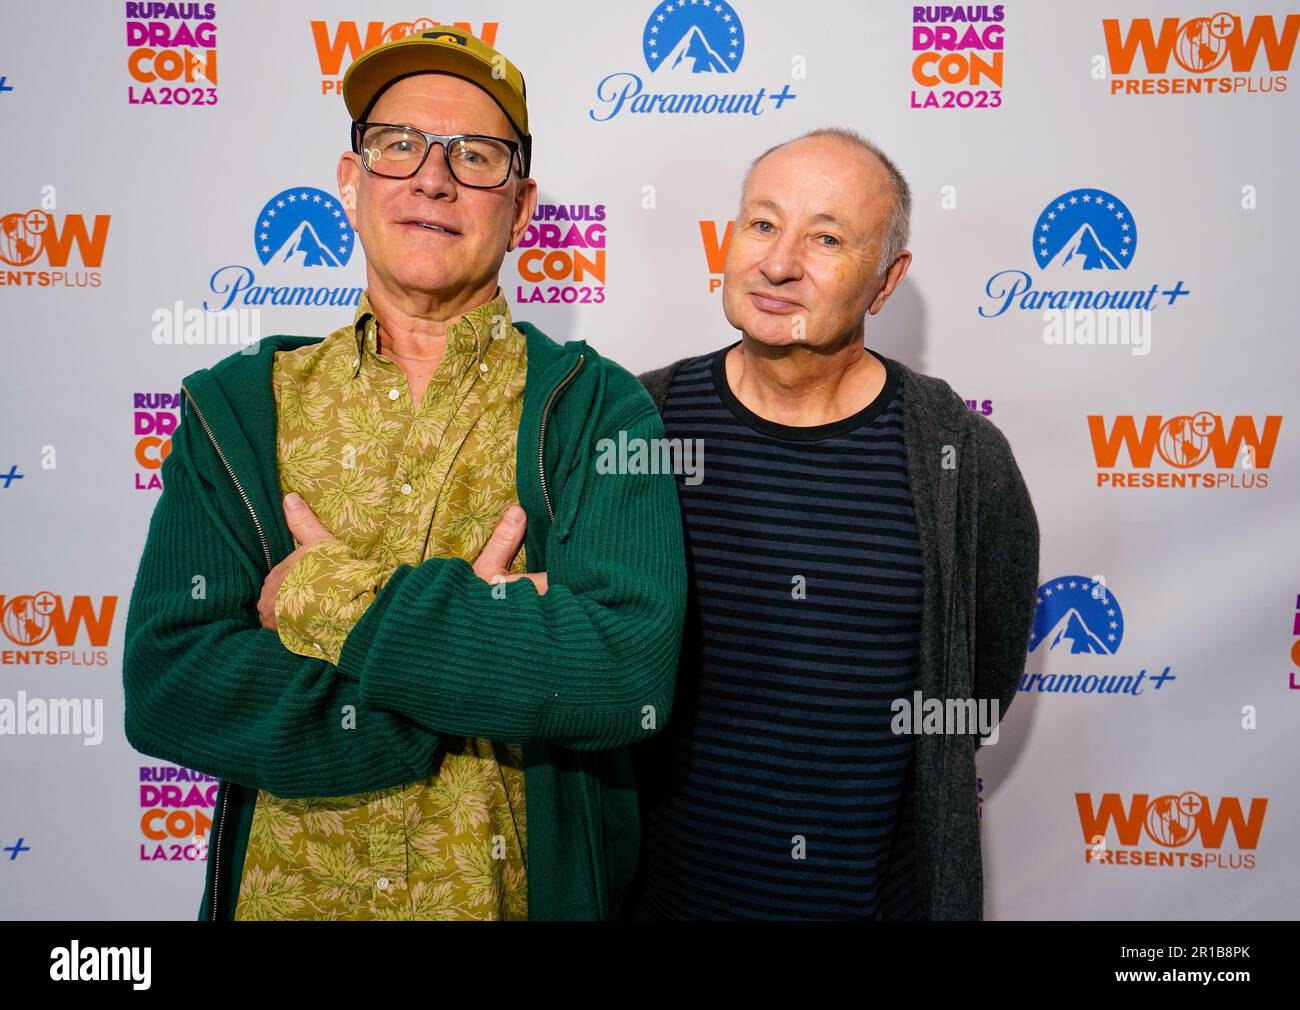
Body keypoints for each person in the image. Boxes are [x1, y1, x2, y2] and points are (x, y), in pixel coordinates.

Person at [122, 26, 685, 921]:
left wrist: (329, 596)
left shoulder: (600, 411)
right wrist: (470, 666)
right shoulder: (237, 407)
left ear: (523, 205)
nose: (433, 177)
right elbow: (169, 683)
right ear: (351, 183)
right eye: (397, 146)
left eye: (476, 155)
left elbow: (622, 677)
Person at [630, 127, 1040, 920]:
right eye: (761, 223)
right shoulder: (639, 425)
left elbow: (977, 688)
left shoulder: (962, 459)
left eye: (826, 238)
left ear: (886, 281)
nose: (778, 263)